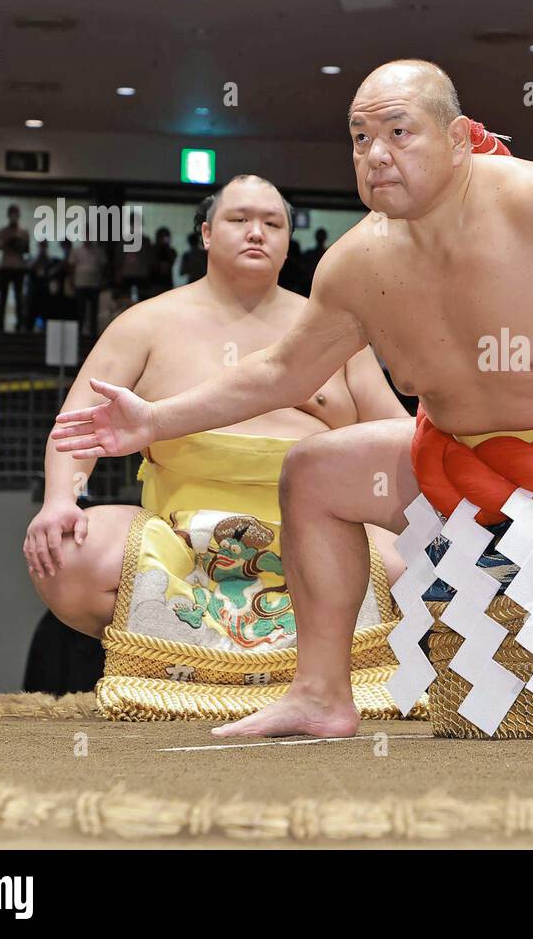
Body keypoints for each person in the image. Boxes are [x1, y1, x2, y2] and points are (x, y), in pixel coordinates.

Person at [50, 59, 533, 746]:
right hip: (463, 469)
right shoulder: (357, 264)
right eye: (360, 139)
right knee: (316, 471)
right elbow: (282, 372)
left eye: (398, 131)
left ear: (458, 137)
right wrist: (154, 420)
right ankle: (321, 694)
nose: (376, 155)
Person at [25, 175, 411, 684]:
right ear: (206, 233)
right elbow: (77, 427)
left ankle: (317, 673)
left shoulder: (336, 331)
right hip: (179, 532)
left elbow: (398, 435)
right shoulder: (144, 324)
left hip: (320, 532)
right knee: (69, 555)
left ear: (287, 240)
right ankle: (182, 658)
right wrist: (59, 500)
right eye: (240, 219)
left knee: (417, 560)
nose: (257, 232)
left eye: (272, 223)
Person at [0, 205, 30, 331]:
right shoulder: (2, 232)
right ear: (8, 215)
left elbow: (26, 250)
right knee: (2, 297)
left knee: (19, 297)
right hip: (5, 266)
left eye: (16, 213)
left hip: (19, 267)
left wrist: (17, 245)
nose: (14, 216)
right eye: (12, 214)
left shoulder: (24, 233)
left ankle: (20, 324)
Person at [70, 238, 106, 336]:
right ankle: (79, 331)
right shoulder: (76, 251)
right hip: (80, 283)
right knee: (81, 309)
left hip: (94, 283)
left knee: (94, 310)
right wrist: (72, 281)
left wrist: (102, 281)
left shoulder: (99, 251)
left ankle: (93, 332)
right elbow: (72, 267)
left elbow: (103, 267)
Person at [146, 227, 177, 297]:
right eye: (162, 237)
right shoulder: (152, 250)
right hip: (154, 282)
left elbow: (171, 262)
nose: (164, 239)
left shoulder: (171, 251)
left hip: (166, 282)